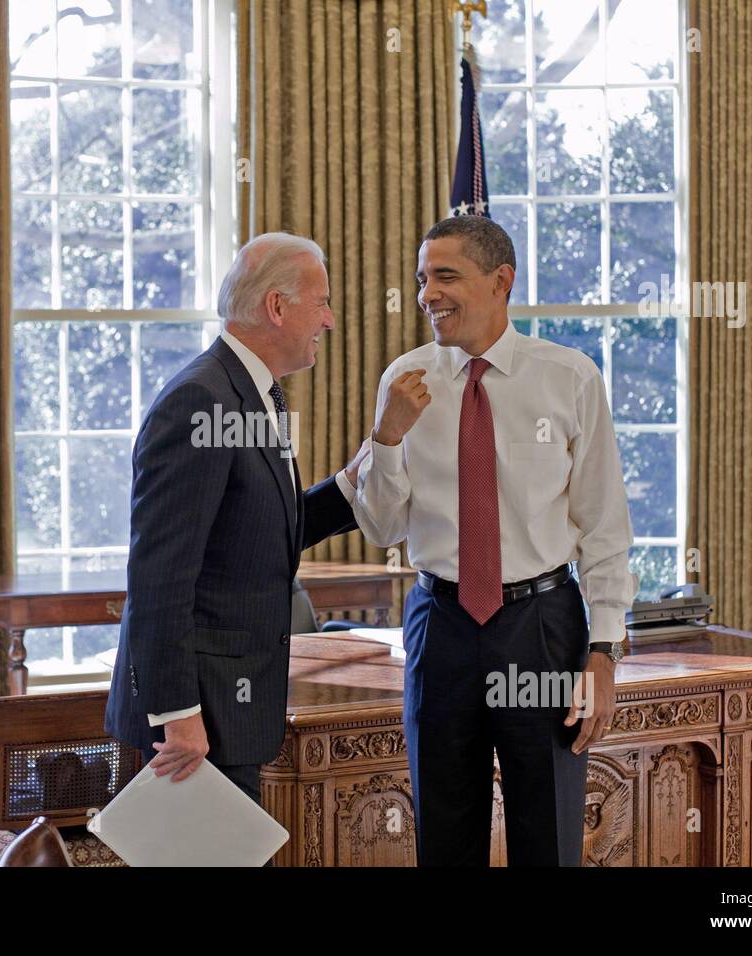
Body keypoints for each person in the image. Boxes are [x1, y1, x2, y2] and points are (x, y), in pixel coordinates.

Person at [352, 215, 636, 865]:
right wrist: (387, 438)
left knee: (549, 829)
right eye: (423, 279)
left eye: (446, 276)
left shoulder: (569, 378)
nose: (428, 294)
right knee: (444, 832)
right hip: (439, 625)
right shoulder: (406, 381)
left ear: (500, 281)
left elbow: (604, 526)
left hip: (540, 627)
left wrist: (603, 654)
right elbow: (382, 527)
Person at [104, 232, 368, 804]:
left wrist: (361, 472)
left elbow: (265, 532)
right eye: (321, 302)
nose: (328, 319)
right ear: (277, 307)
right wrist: (178, 715)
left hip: (232, 708)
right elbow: (159, 579)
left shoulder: (255, 393)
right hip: (196, 721)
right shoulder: (200, 400)